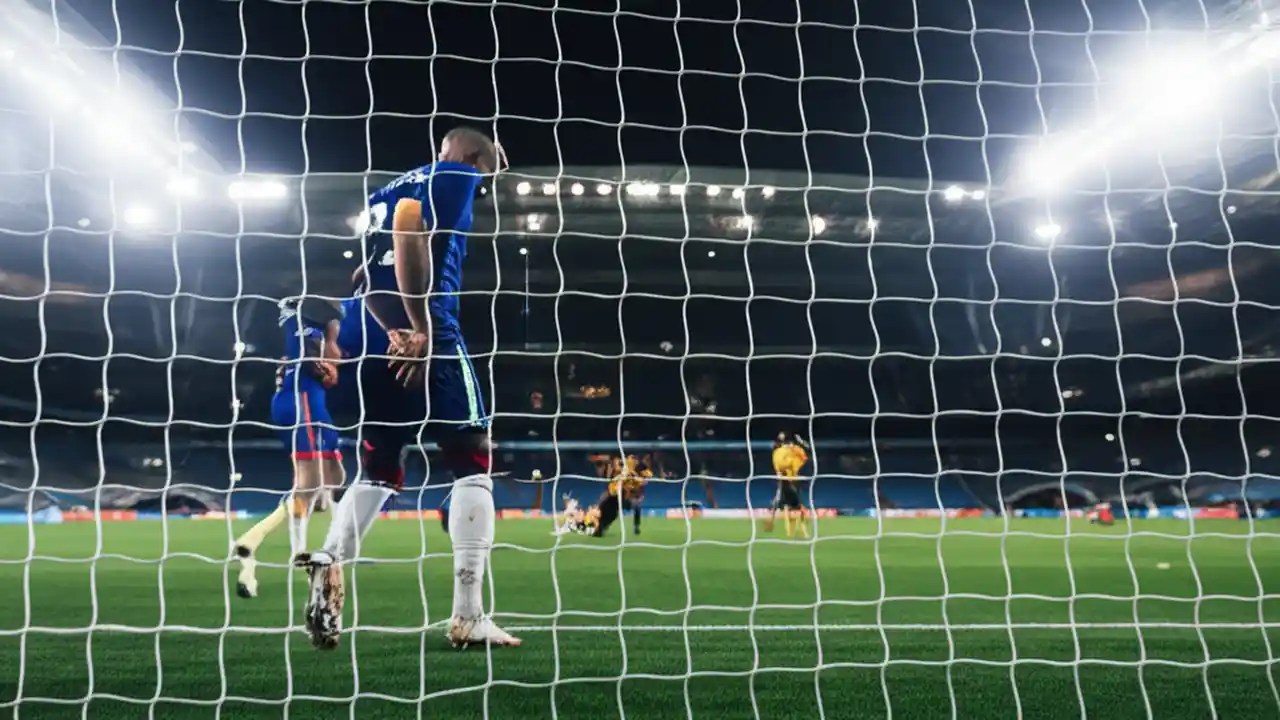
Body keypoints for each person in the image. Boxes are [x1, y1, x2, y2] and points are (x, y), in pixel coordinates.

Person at [294, 126, 519, 650]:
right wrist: (419, 328)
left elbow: (361, 278)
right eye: (487, 175)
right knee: (472, 456)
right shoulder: (454, 174)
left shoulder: (385, 189)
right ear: (472, 156)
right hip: (425, 326)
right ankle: (468, 615)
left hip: (370, 330)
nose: (484, 188)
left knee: (380, 466)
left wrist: (388, 328)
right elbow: (408, 227)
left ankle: (329, 558)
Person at [232, 296, 346, 598]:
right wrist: (326, 365)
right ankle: (300, 553)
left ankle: (254, 538)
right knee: (308, 484)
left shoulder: (310, 333)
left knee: (333, 479)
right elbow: (311, 357)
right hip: (301, 402)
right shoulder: (307, 331)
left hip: (310, 403)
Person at [764, 433, 810, 538]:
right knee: (795, 508)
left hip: (786, 481)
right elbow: (806, 452)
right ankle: (798, 531)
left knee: (790, 507)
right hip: (789, 482)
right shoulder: (792, 451)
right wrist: (801, 442)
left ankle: (791, 530)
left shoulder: (778, 452)